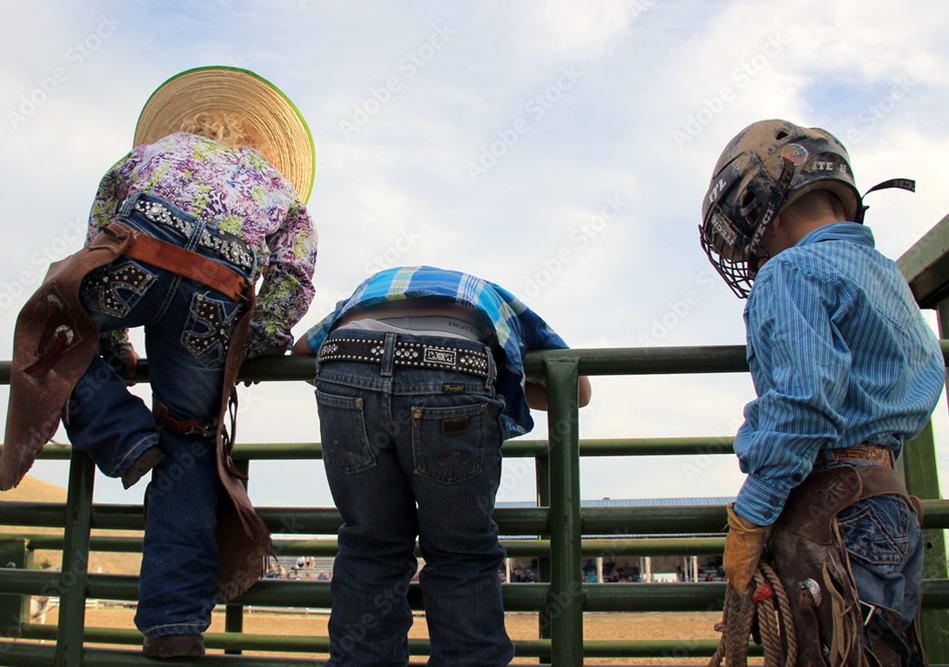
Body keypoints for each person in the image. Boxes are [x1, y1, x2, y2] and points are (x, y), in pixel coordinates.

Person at [2, 66, 317, 658]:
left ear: (191, 126)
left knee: (52, 338)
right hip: (217, 290)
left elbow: (99, 236)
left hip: (137, 255)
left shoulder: (150, 154)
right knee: (192, 442)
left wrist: (115, 345)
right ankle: (174, 626)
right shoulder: (279, 187)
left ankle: (124, 435)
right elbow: (294, 275)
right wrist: (254, 344)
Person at [699, 119, 944, 666]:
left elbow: (804, 402)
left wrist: (753, 515)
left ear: (765, 210)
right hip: (889, 501)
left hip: (833, 508)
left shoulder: (789, 272)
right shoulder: (887, 276)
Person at [292, 265, 592, 667]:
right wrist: (485, 386)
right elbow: (576, 389)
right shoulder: (489, 295)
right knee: (461, 551)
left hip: (348, 360)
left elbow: (302, 352)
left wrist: (367, 392)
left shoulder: (369, 291)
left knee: (369, 546)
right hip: (453, 364)